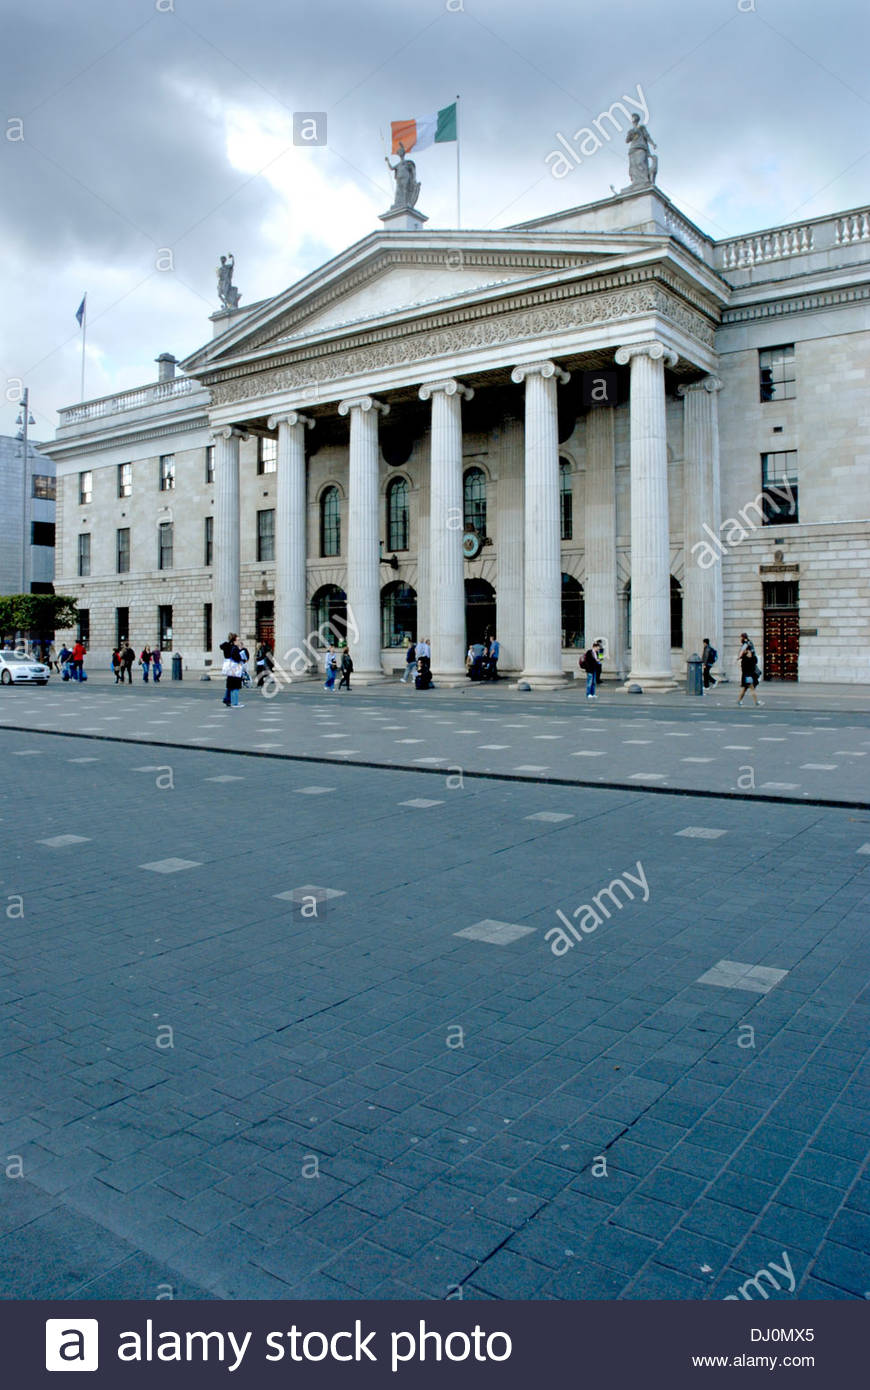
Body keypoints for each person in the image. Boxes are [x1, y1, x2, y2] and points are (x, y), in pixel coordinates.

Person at [737, 633, 763, 706]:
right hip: (748, 674)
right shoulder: (748, 646)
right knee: (750, 687)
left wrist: (740, 656)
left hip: (748, 673)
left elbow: (741, 654)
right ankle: (756, 702)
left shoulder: (747, 646)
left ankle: (739, 700)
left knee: (746, 688)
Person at [220, 633, 245, 707]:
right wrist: (241, 657)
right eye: (238, 640)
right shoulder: (234, 648)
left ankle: (227, 699)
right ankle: (234, 702)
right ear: (234, 641)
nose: (239, 641)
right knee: (235, 686)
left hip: (229, 668)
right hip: (235, 668)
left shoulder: (227, 647)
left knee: (230, 685)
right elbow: (237, 658)